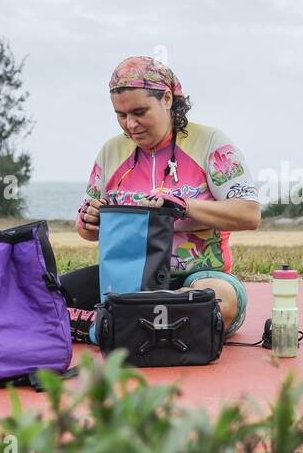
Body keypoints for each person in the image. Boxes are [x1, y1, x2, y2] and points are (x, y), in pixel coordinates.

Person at [65, 55, 260, 337]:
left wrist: (185, 207)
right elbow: (85, 230)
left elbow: (249, 214)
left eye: (139, 112)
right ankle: (149, 321)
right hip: (127, 278)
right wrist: (90, 220)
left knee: (221, 301)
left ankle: (119, 322)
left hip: (199, 277)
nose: (130, 125)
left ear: (167, 99)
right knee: (49, 297)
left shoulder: (211, 143)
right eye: (121, 115)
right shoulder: (111, 151)